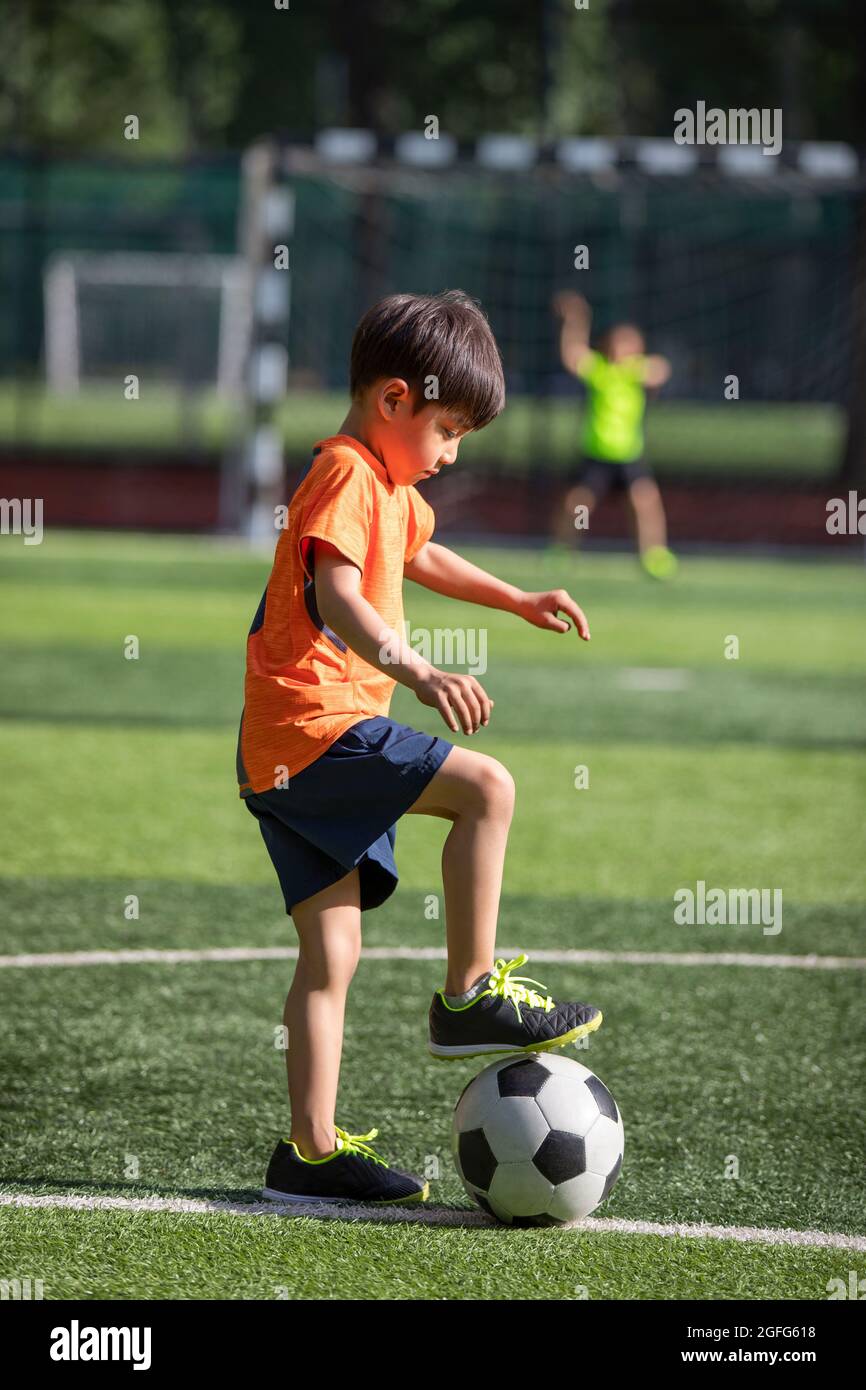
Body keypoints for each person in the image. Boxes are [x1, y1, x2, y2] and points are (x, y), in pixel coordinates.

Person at [236, 289, 604, 1206]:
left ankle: (309, 1156)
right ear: (393, 400)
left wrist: (516, 598)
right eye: (447, 431)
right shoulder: (347, 473)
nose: (449, 455)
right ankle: (468, 994)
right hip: (317, 726)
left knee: (332, 956)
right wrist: (419, 670)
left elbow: (421, 558)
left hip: (281, 749)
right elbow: (338, 593)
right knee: (487, 787)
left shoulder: (387, 484)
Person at [551, 291, 677, 579]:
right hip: (596, 453)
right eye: (618, 343)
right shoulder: (600, 372)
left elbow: (662, 369)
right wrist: (576, 320)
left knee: (646, 503)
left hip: (629, 454)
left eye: (628, 344)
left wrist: (646, 369)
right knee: (576, 504)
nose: (622, 349)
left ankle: (654, 555)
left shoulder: (636, 373)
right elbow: (572, 355)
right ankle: (561, 551)